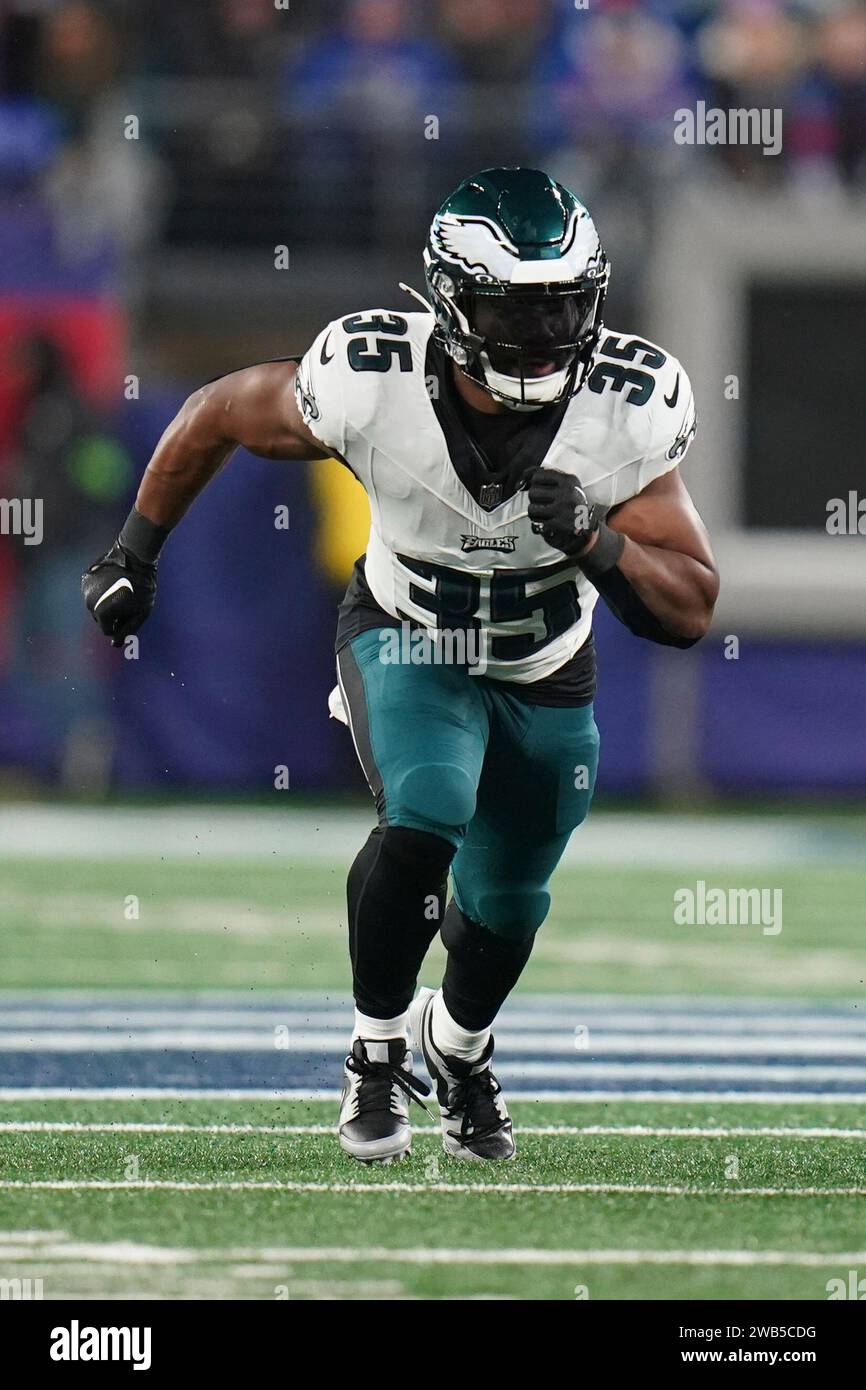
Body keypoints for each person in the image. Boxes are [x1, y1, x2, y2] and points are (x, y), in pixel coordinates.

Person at [82, 167, 718, 1163]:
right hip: (406, 630)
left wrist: (599, 543)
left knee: (506, 911)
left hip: (545, 668)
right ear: (455, 304)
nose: (548, 337)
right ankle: (373, 1051)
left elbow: (688, 606)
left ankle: (456, 1051)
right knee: (423, 814)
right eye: (518, 310)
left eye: (565, 309)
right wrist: (132, 551)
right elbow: (215, 411)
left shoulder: (624, 407)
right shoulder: (369, 378)